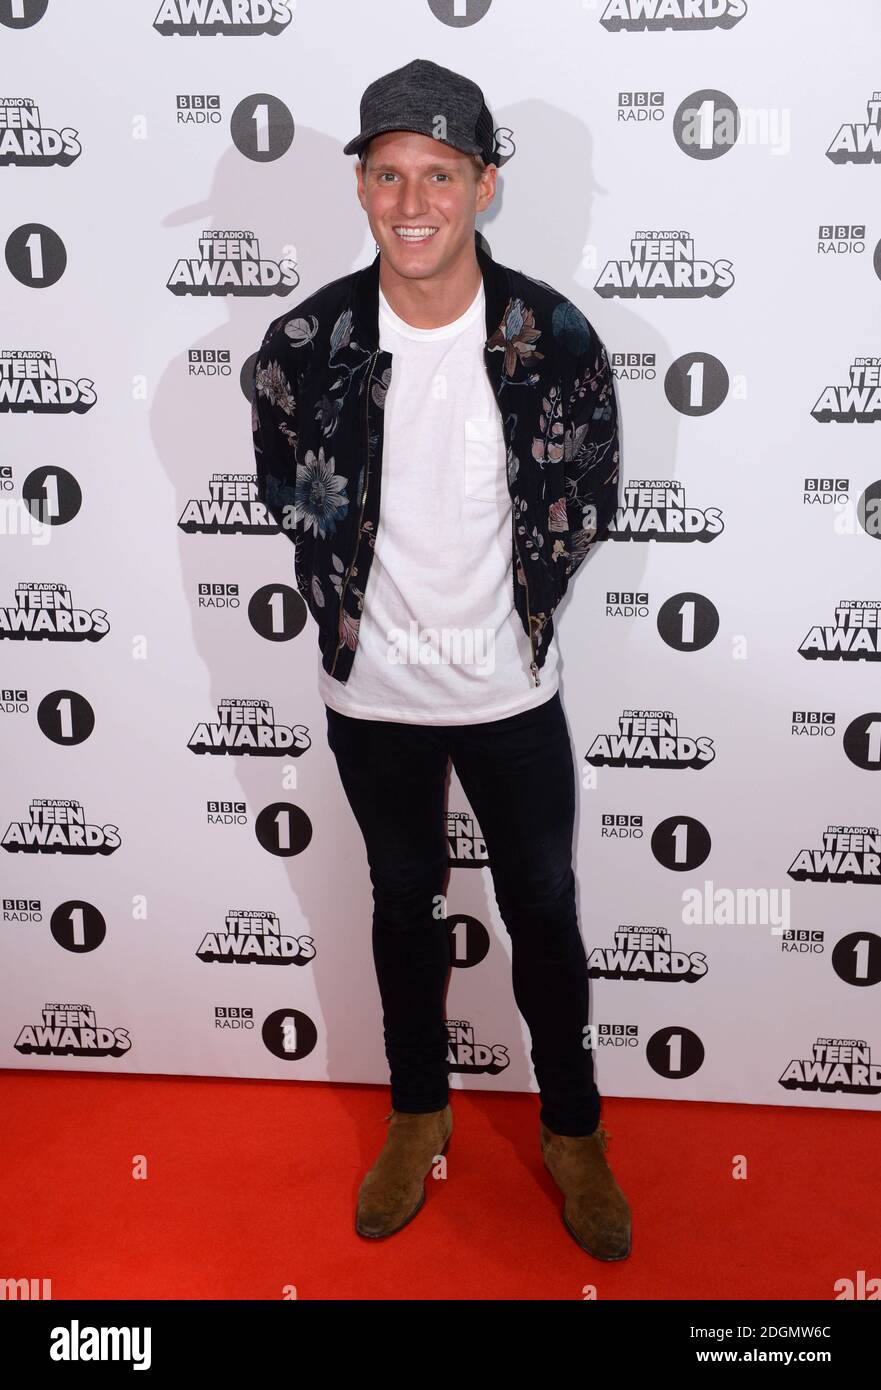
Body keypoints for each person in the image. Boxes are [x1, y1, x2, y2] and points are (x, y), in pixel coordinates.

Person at [250, 58, 629, 1260]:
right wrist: (353, 608)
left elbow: (583, 492)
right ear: (362, 185)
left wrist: (511, 613)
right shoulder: (304, 344)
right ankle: (419, 1115)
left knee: (545, 909)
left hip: (510, 694)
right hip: (371, 698)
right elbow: (287, 494)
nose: (411, 202)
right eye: (387, 174)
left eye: (439, 175)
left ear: (483, 185)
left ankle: (571, 1132)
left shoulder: (548, 335)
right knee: (399, 907)